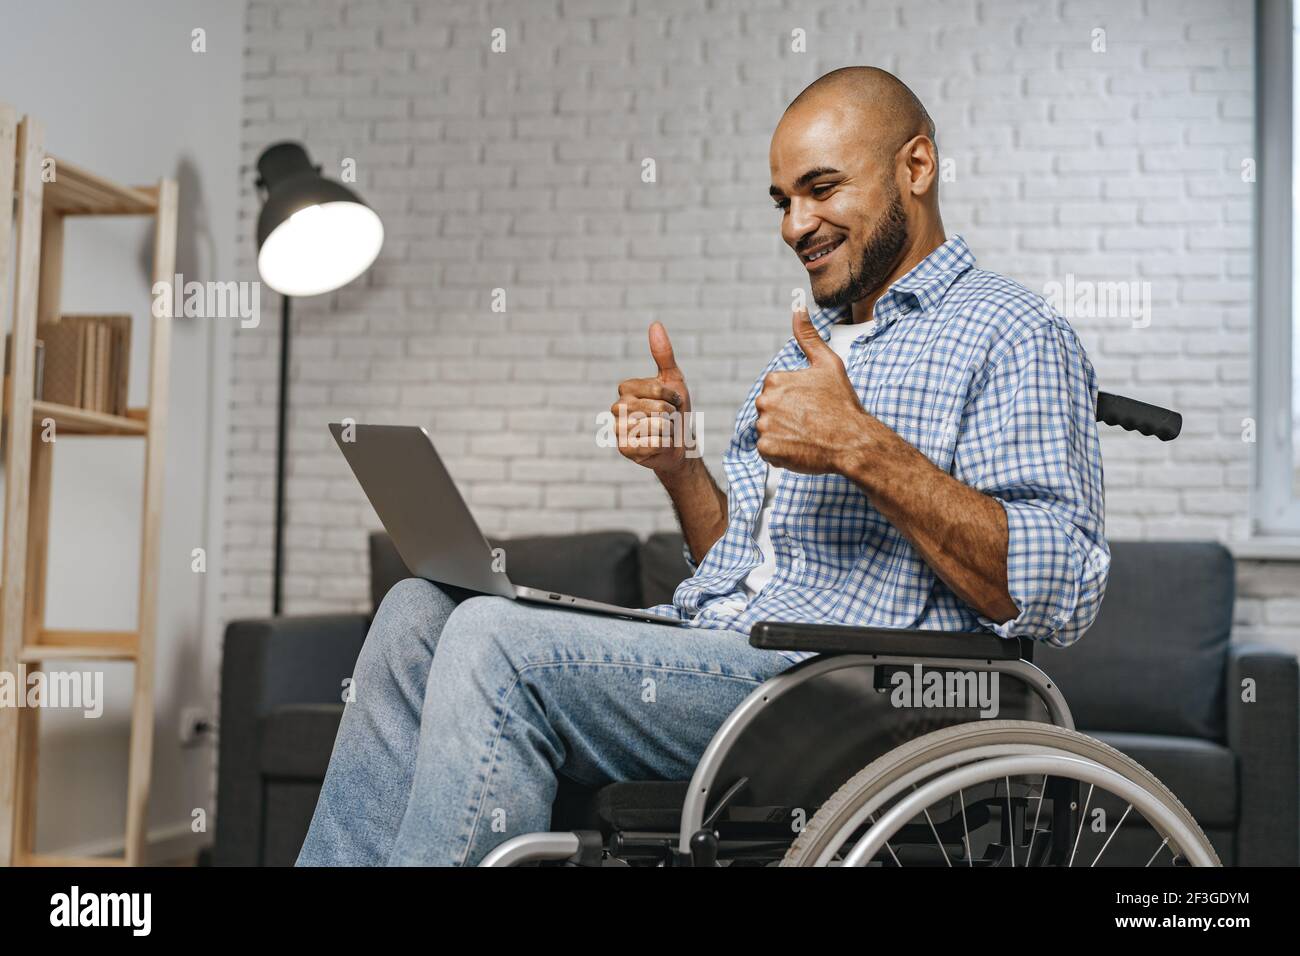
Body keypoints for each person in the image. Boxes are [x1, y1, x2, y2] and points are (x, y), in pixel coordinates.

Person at [296, 66, 1108, 867]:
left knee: (491, 642)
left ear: (916, 168)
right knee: (416, 613)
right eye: (783, 201)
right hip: (729, 653)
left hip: (851, 697)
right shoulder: (804, 346)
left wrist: (862, 446)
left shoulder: (1013, 330)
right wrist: (681, 468)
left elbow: (1060, 588)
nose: (796, 225)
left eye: (822, 189)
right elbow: (745, 568)